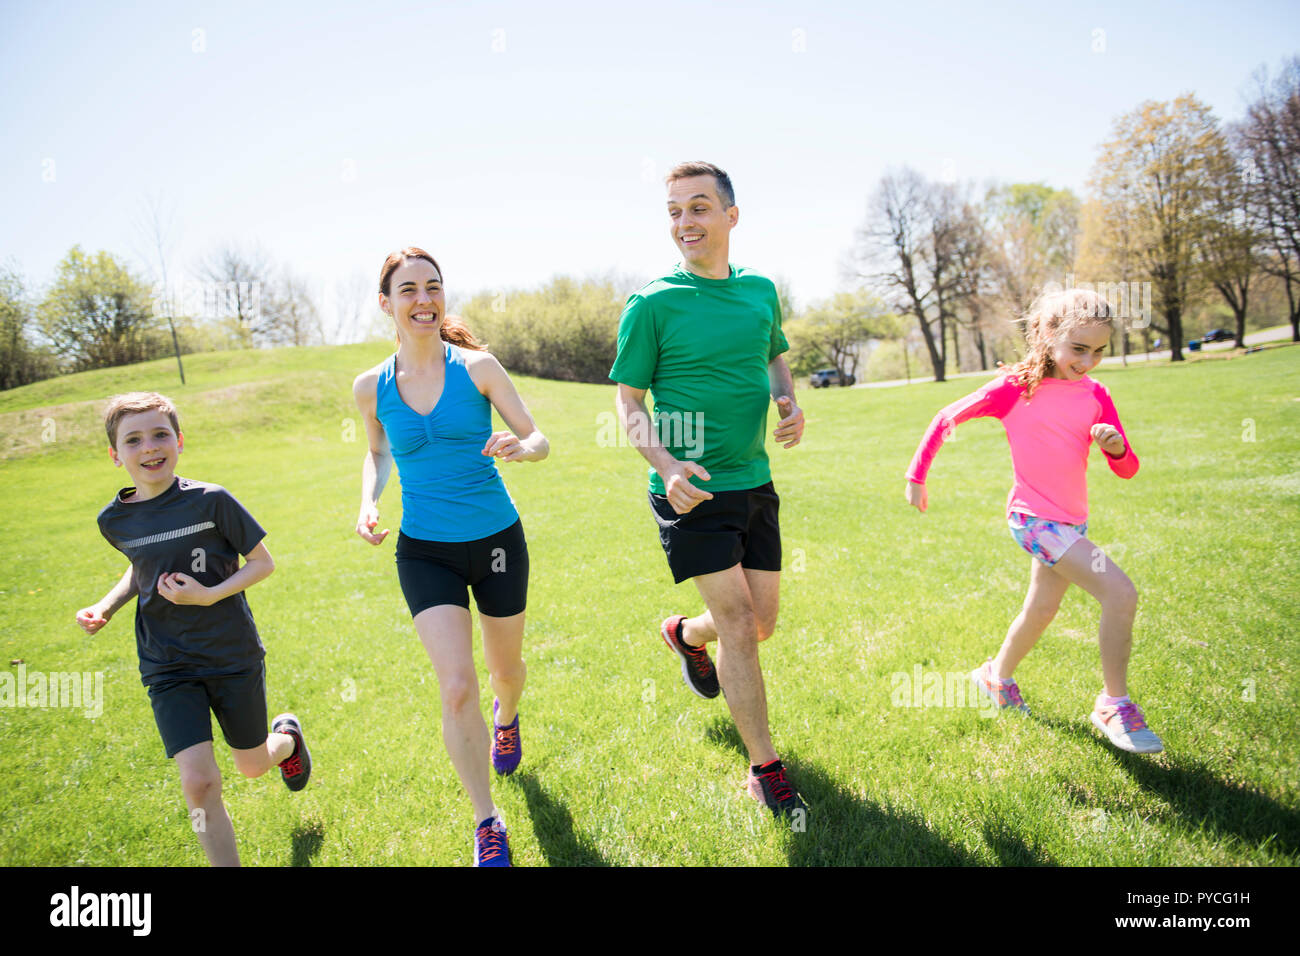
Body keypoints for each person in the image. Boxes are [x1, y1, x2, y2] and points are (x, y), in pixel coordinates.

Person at [610, 161, 809, 821]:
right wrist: (667, 466)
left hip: (754, 479)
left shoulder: (759, 290)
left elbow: (774, 351)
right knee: (740, 627)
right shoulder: (653, 302)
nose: (685, 223)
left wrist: (787, 399)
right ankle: (765, 768)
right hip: (688, 489)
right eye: (674, 211)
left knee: (760, 622)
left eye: (698, 208)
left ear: (730, 215)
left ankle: (685, 637)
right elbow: (628, 400)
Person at [353, 247, 548, 867]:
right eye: (408, 290)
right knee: (457, 686)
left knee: (504, 673)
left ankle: (509, 715)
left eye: (433, 287)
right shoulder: (371, 386)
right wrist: (368, 502)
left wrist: (521, 446)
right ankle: (486, 820)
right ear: (386, 303)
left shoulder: (479, 368)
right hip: (424, 552)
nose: (423, 300)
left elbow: (539, 438)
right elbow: (378, 452)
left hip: (495, 542)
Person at [904, 288, 1163, 754]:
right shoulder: (1015, 388)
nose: (1088, 361)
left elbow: (1127, 468)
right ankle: (1113, 704)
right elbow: (947, 416)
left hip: (1071, 523)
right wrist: (916, 475)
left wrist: (1116, 448)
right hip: (1033, 520)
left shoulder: (1096, 395)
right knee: (1120, 593)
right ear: (1045, 336)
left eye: (1099, 350)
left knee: (1042, 610)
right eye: (1078, 349)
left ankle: (995, 679)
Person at [76, 391, 310, 867]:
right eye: (133, 440)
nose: (149, 448)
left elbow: (262, 564)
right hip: (166, 663)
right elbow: (140, 568)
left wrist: (207, 594)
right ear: (115, 455)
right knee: (199, 783)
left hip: (230, 654)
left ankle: (286, 739)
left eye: (160, 434)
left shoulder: (212, 501)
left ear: (179, 440)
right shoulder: (113, 520)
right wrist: (106, 606)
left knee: (250, 765)